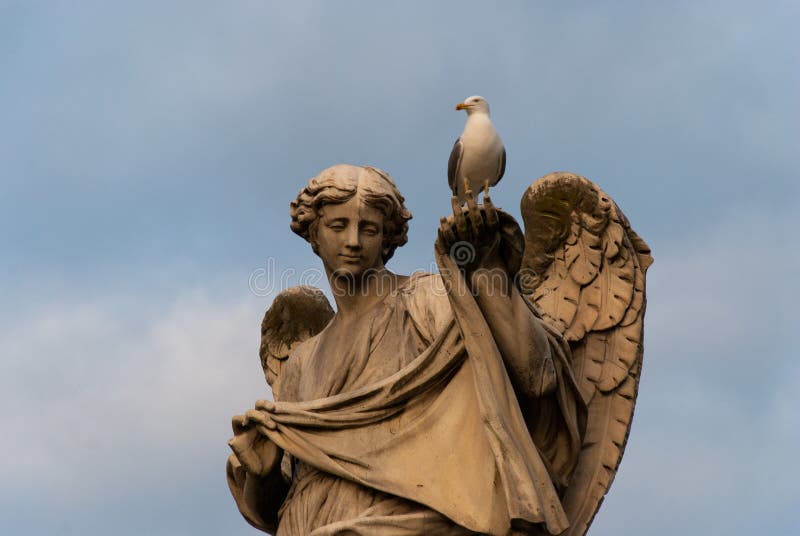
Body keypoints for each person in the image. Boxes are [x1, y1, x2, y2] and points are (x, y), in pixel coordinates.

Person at [227, 164, 585, 536]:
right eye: (338, 226)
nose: (352, 241)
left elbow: (536, 374)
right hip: (306, 522)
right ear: (313, 233)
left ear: (387, 238)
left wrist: (485, 268)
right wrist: (263, 471)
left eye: (368, 229)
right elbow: (279, 498)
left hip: (409, 519)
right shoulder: (302, 360)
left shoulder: (425, 300)